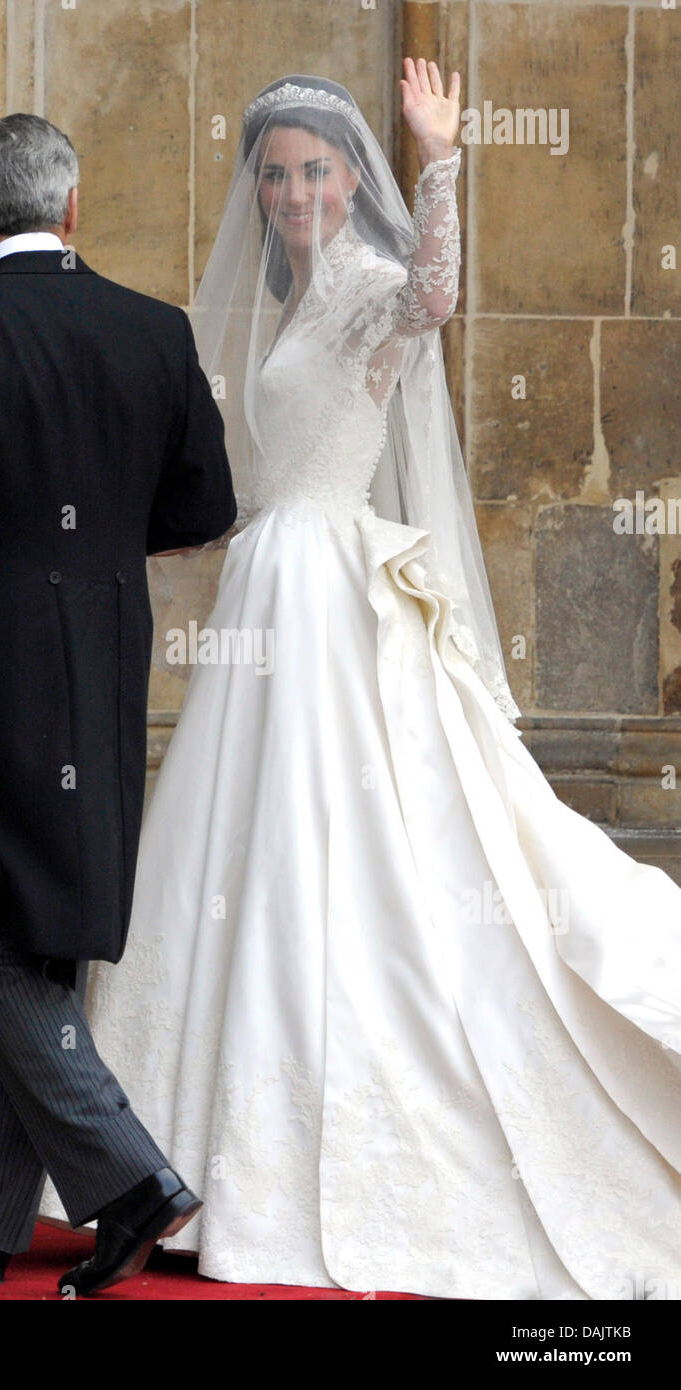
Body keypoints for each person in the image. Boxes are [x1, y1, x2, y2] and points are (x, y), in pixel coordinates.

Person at [37, 66, 681, 1300]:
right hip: (272, 576)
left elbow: (433, 296)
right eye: (273, 172)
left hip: (327, 592)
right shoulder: (292, 299)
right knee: (236, 849)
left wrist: (439, 159)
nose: (290, 191)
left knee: (332, 843)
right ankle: (188, 1163)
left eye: (314, 169)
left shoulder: (372, 285)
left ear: (350, 179)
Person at [0, 112, 237, 1297]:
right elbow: (205, 502)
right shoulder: (156, 330)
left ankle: (129, 1182)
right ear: (71, 209)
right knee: (47, 932)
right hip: (103, 668)